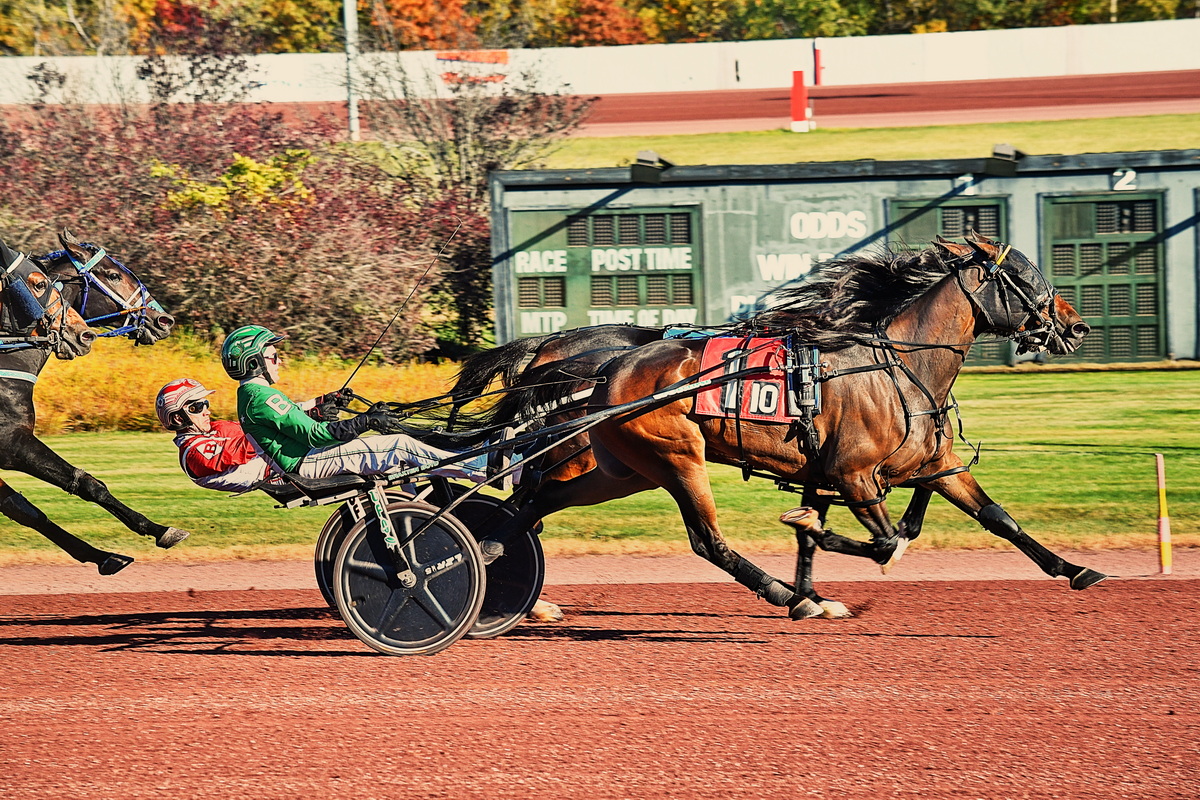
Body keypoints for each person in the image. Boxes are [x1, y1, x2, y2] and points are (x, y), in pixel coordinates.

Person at [220, 324, 517, 485]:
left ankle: (462, 466)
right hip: (308, 462)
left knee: (398, 448)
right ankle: (482, 469)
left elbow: (294, 419)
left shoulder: (252, 397)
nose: (279, 361)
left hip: (306, 458)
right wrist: (365, 421)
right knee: (399, 445)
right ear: (254, 363)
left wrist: (323, 404)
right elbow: (315, 435)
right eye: (273, 356)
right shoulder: (262, 397)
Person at [156, 377, 274, 492]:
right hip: (275, 475)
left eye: (205, 404)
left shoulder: (216, 428)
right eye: (196, 408)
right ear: (178, 418)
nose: (207, 412)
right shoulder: (193, 453)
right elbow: (246, 446)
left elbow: (251, 428)